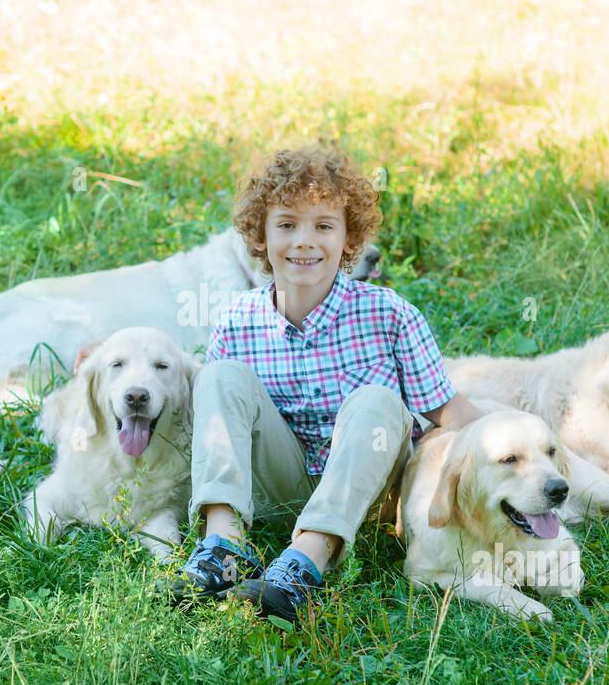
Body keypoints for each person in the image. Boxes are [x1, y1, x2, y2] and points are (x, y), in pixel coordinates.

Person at [167, 145, 485, 623]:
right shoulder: (238, 320)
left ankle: (303, 567)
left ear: (347, 238)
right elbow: (219, 428)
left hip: (371, 489)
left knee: (377, 400)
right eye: (287, 224)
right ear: (261, 236)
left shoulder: (389, 314)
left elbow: (449, 412)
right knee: (217, 377)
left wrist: (527, 446)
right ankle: (224, 550)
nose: (304, 241)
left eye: (323, 225)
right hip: (282, 485)